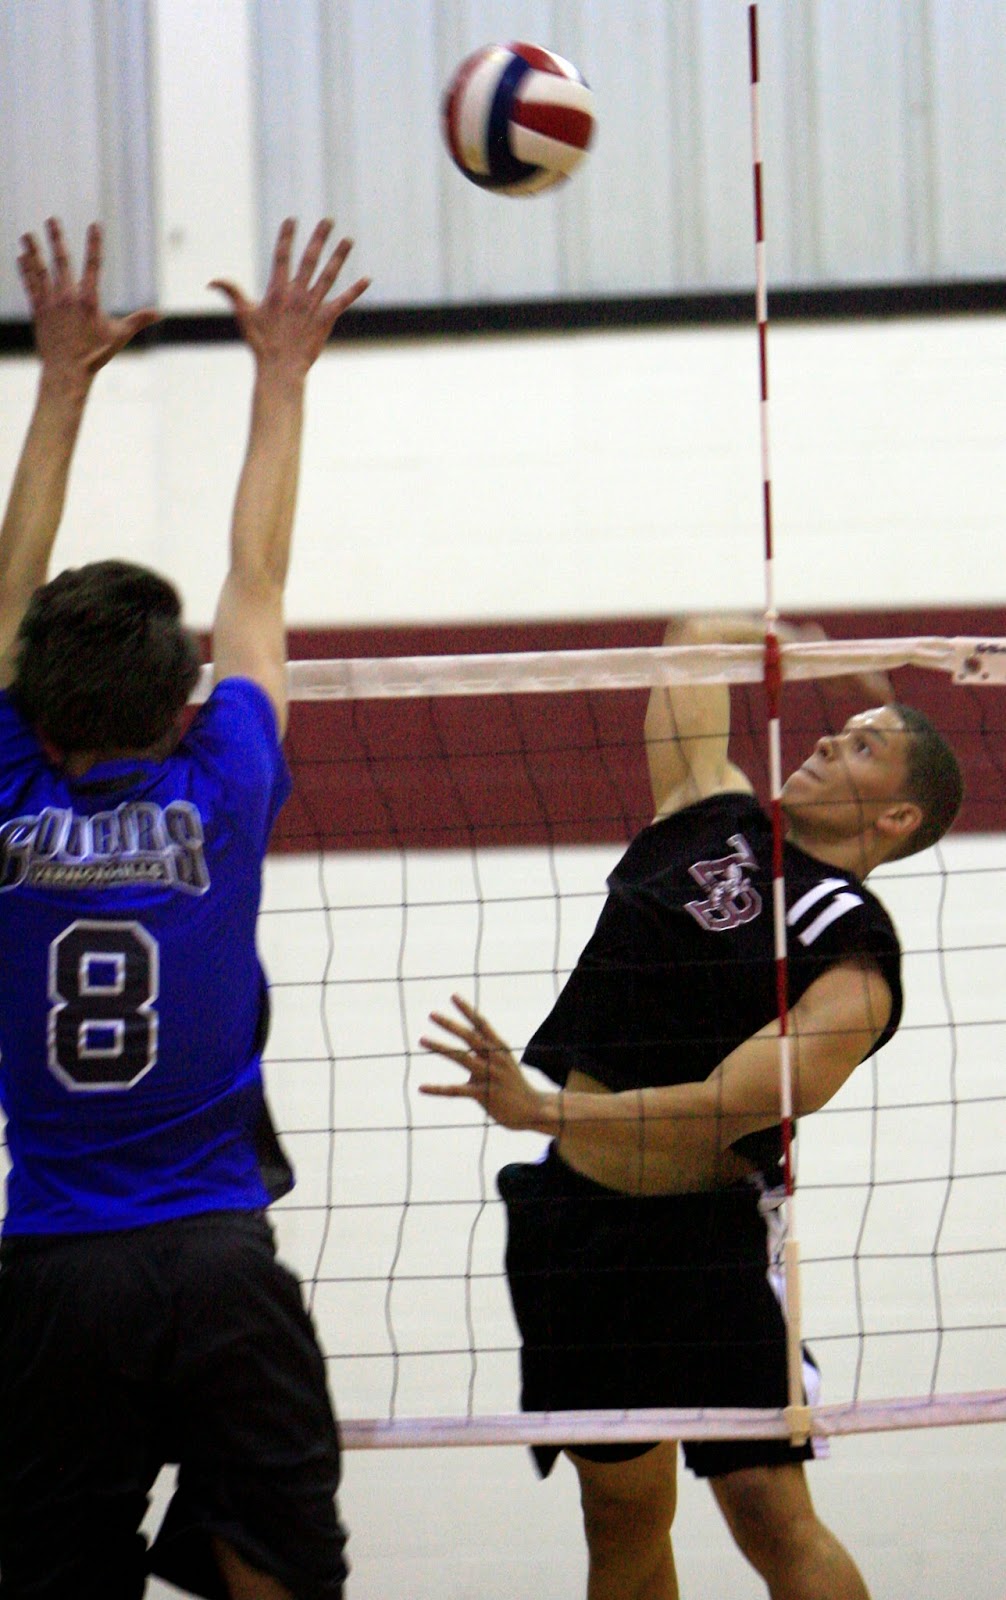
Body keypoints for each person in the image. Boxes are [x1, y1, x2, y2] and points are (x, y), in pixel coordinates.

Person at [420, 613, 963, 1600]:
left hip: (699, 1244)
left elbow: (721, 1107)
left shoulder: (854, 955)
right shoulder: (709, 807)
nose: (826, 740)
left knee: (768, 1511)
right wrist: (817, 651)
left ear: (896, 819)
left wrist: (542, 1111)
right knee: (620, 1514)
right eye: (840, 731)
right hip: (577, 1232)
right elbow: (687, 641)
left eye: (864, 747)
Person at [0, 217, 368, 1600]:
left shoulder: (2, 789)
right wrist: (281, 374)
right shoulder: (224, 784)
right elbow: (256, 583)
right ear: (181, 707)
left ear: (32, 711)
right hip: (215, 1259)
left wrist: (59, 385)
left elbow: (4, 597)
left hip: (51, 1274)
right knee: (276, 1571)